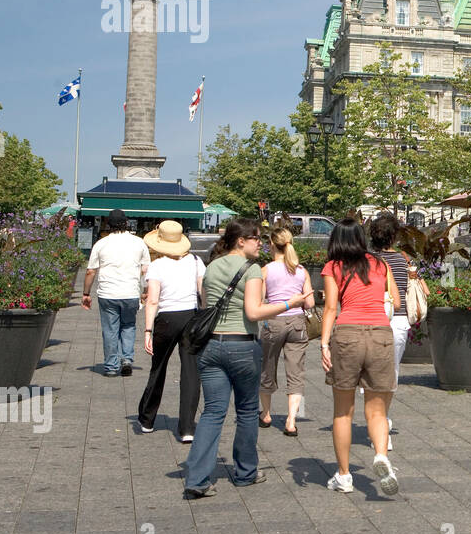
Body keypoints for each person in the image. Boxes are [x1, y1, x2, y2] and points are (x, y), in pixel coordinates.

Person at [182, 218, 312, 499]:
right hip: (241, 345)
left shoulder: (212, 266)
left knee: (213, 412)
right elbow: (253, 312)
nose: (260, 244)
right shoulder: (251, 270)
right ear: (240, 241)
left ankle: (197, 477)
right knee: (246, 411)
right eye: (255, 238)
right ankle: (245, 472)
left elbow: (206, 305)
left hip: (211, 346)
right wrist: (292, 303)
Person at [321, 218, 401, 495]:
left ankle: (344, 476)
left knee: (343, 411)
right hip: (381, 333)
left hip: (348, 334)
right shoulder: (381, 264)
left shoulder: (333, 267)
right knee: (377, 410)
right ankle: (381, 455)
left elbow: (331, 307)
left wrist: (323, 344)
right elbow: (396, 301)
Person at [138, 221, 205, 440]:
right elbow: (202, 294)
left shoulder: (157, 265)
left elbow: (153, 300)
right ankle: (187, 427)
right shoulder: (196, 262)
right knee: (191, 371)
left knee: (158, 368)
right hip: (191, 316)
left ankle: (147, 419)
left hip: (167, 318)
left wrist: (148, 330)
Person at [367, 212, 428, 450]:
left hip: (373, 320)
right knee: (391, 374)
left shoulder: (368, 261)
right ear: (393, 237)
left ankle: (377, 421)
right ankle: (382, 420)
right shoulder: (403, 260)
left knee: (372, 376)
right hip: (398, 321)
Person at [259, 226, 314, 436]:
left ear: (272, 244)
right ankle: (291, 420)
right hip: (297, 323)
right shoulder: (301, 270)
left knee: (267, 367)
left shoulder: (266, 270)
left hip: (273, 321)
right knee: (296, 371)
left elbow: (261, 300)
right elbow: (309, 302)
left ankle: (266, 414)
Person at [82, 208, 151, 376]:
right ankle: (127, 359)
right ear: (126, 223)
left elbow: (91, 271)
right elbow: (145, 270)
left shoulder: (101, 243)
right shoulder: (138, 242)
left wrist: (86, 293)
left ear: (108, 224)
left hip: (108, 293)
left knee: (110, 329)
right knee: (128, 326)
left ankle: (111, 366)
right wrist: (145, 290)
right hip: (131, 292)